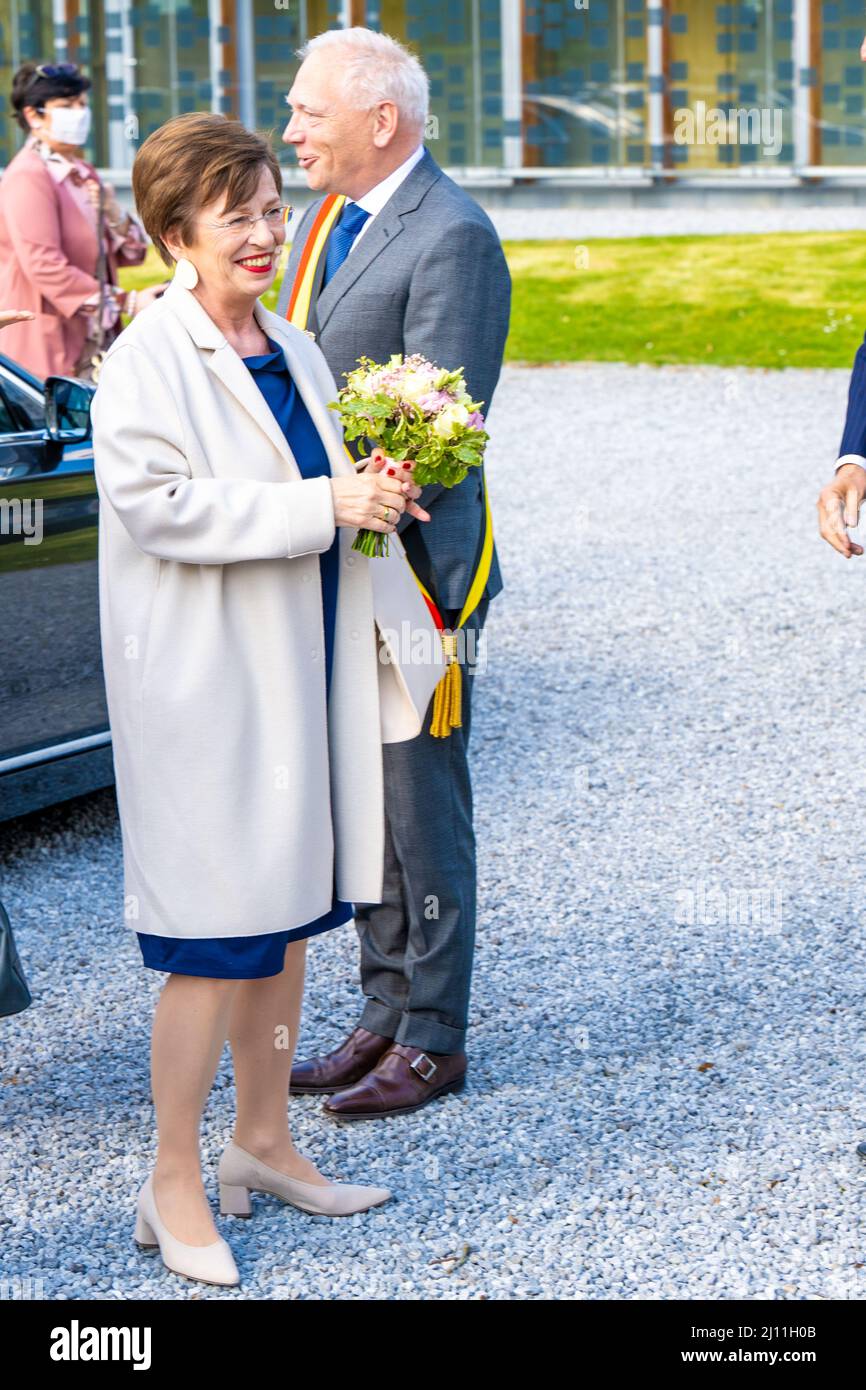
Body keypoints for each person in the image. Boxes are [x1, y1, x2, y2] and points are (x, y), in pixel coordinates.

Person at [90, 111, 438, 1288]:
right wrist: (318, 510)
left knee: (284, 924)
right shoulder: (145, 358)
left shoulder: (291, 344)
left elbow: (318, 489)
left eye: (269, 207)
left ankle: (263, 1142)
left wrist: (371, 492)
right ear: (175, 230)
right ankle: (172, 1179)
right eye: (234, 213)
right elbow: (161, 508)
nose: (261, 230)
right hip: (204, 694)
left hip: (299, 682)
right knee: (213, 939)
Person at [277, 26, 511, 1120]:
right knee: (363, 808)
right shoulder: (331, 217)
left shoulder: (452, 233)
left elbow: (440, 426)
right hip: (342, 561)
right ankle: (379, 1008)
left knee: (421, 807)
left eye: (305, 111)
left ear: (382, 119)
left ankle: (433, 1036)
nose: (290, 131)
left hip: (415, 577)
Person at [0, 61, 165, 381]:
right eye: (66, 106)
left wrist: (113, 214)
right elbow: (45, 266)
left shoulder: (81, 173)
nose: (78, 113)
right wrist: (126, 301)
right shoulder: (27, 177)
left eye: (82, 105)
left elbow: (133, 253)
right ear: (34, 115)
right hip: (45, 342)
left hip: (91, 339)